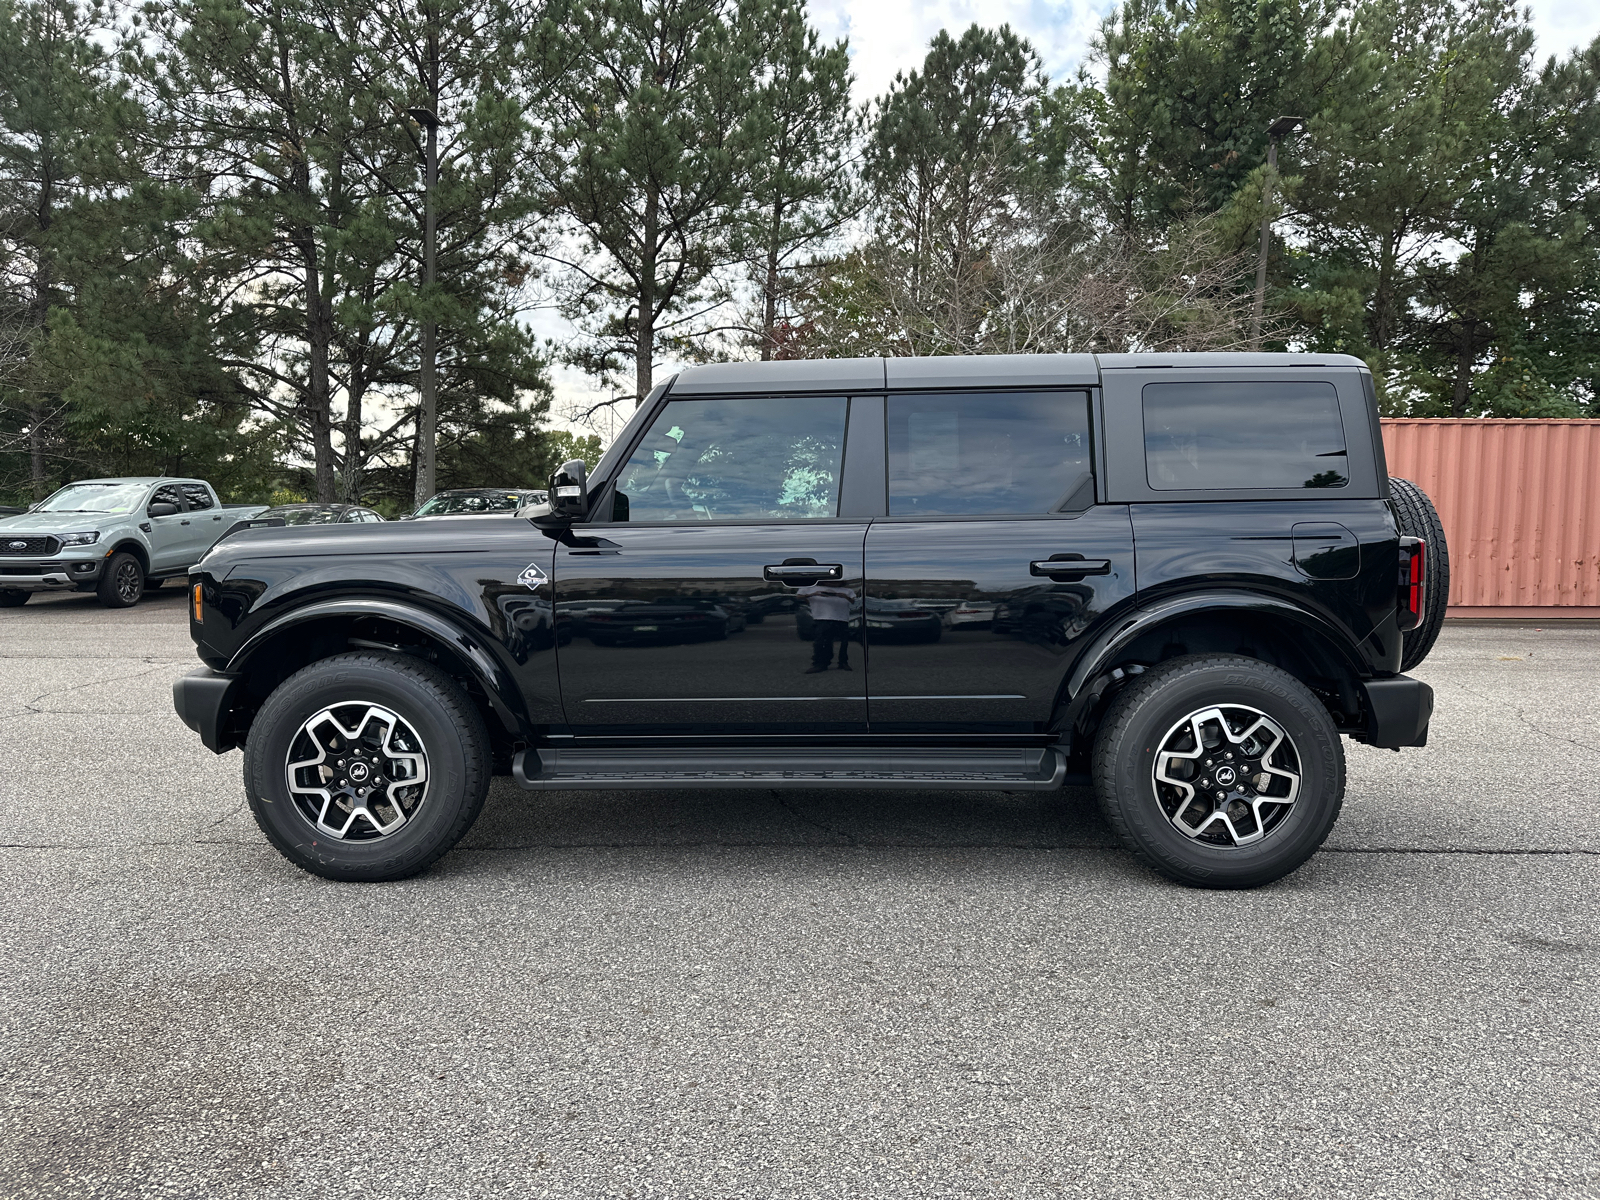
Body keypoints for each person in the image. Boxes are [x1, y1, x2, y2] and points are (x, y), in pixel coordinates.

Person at [797, 582, 856, 673]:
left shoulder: (847, 591)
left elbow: (853, 601)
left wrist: (844, 596)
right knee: (821, 641)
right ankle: (820, 663)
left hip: (841, 617)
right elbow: (799, 596)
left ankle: (843, 662)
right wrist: (813, 594)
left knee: (844, 641)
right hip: (821, 617)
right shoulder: (812, 588)